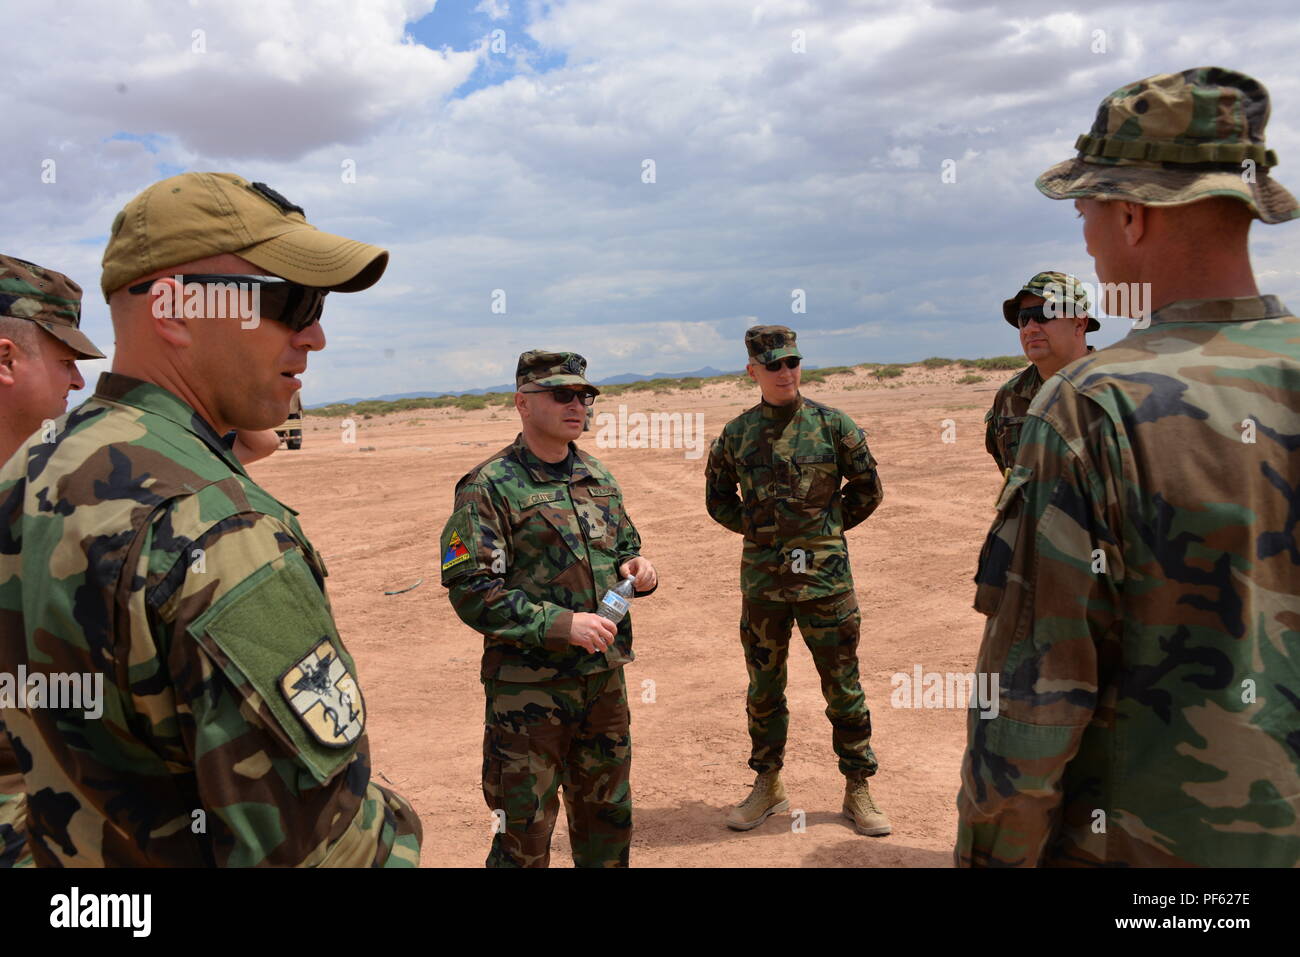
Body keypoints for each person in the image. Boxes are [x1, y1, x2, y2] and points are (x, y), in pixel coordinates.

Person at [0, 172, 421, 866]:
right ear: (172, 308)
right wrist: (393, 821)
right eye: (289, 301)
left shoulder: (25, 477)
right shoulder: (219, 530)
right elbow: (318, 851)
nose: (313, 335)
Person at [958, 67, 1300, 866]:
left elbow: (1033, 704)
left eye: (1086, 211)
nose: (1086, 237)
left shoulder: (1090, 407)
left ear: (1132, 214)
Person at [440, 350, 657, 868]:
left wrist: (640, 570)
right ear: (522, 403)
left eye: (584, 395)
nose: (577, 404)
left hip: (601, 682)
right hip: (528, 694)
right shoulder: (487, 486)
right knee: (524, 833)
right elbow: (472, 590)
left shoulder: (598, 477)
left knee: (608, 820)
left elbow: (626, 545)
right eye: (561, 394)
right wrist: (561, 624)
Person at [705, 325, 889, 835]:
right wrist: (761, 530)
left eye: (791, 362)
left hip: (826, 585)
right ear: (753, 371)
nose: (784, 372)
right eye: (772, 365)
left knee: (843, 687)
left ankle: (858, 789)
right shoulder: (737, 434)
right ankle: (768, 785)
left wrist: (826, 530)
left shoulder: (833, 425)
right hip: (764, 586)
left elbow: (869, 488)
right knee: (765, 689)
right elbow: (717, 499)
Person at [0, 254, 105, 868]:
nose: (78, 382)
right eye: (66, 361)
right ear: (7, 360)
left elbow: (254, 438)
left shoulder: (51, 481)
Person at [984, 272, 1096, 474]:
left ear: (1079, 323)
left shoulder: (1118, 389)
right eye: (1023, 319)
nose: (1030, 329)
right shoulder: (1009, 397)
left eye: (1045, 314)